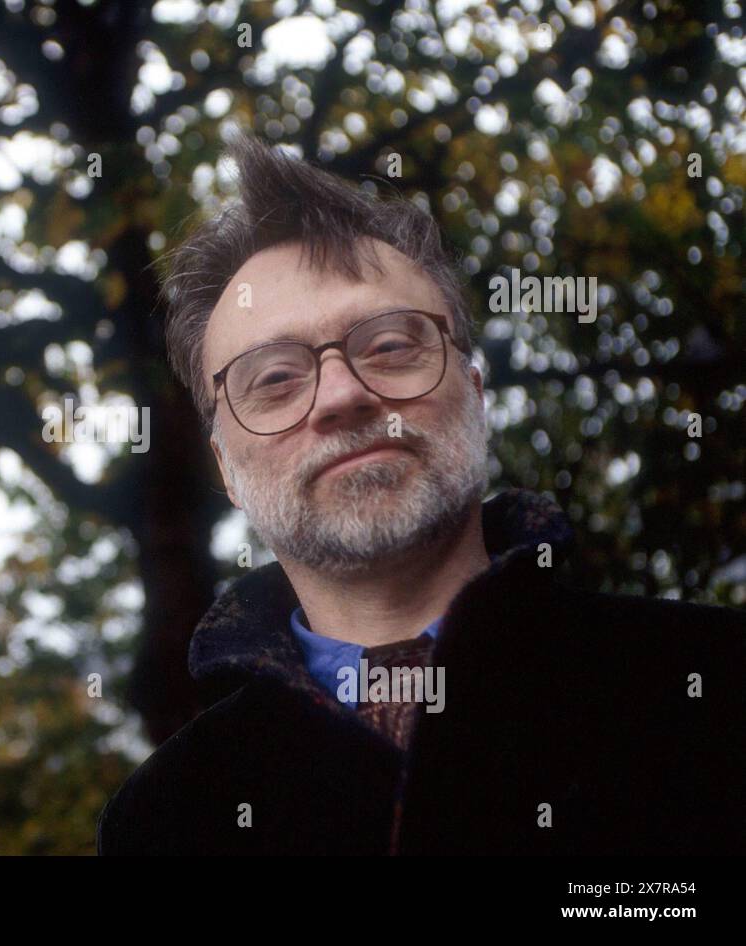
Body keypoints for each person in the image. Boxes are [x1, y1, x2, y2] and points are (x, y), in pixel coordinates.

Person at [96, 135, 746, 855]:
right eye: (275, 378)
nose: (342, 395)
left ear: (474, 394)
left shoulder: (715, 684)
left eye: (390, 345)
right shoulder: (161, 824)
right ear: (224, 465)